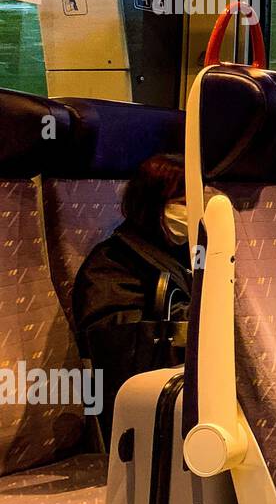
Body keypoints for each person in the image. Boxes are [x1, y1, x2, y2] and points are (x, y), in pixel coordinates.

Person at [71, 153, 192, 439]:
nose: (193, 214)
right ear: (150, 206)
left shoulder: (190, 254)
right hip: (145, 411)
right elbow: (121, 351)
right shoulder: (112, 264)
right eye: (183, 205)